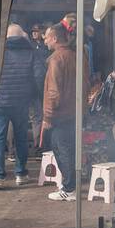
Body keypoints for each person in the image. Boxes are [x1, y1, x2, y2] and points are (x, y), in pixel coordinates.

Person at [40, 23, 88, 201]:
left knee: (61, 148)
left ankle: (69, 188)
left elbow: (53, 91)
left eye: (46, 37)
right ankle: (70, 185)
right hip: (75, 111)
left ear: (54, 38)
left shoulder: (56, 59)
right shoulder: (77, 55)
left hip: (60, 113)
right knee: (70, 148)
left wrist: (47, 116)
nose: (44, 40)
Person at [0, 23, 36, 189]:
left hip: (0, 101)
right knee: (21, 138)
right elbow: (35, 76)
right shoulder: (30, 51)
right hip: (21, 101)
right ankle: (20, 173)